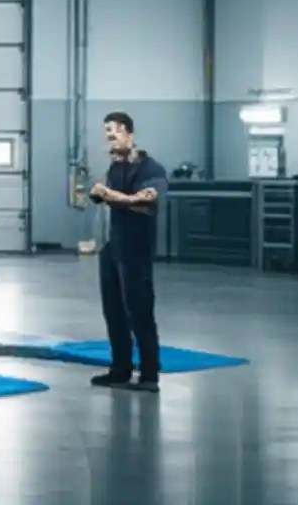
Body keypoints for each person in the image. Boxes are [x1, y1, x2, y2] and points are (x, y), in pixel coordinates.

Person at [88, 112, 168, 393]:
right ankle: (120, 370)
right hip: (114, 247)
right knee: (114, 311)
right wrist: (101, 192)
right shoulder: (115, 169)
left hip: (136, 249)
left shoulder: (151, 169)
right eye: (107, 135)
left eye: (114, 134)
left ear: (129, 133)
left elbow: (146, 201)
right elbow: (109, 197)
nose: (110, 140)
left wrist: (110, 195)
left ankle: (149, 375)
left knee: (139, 311)